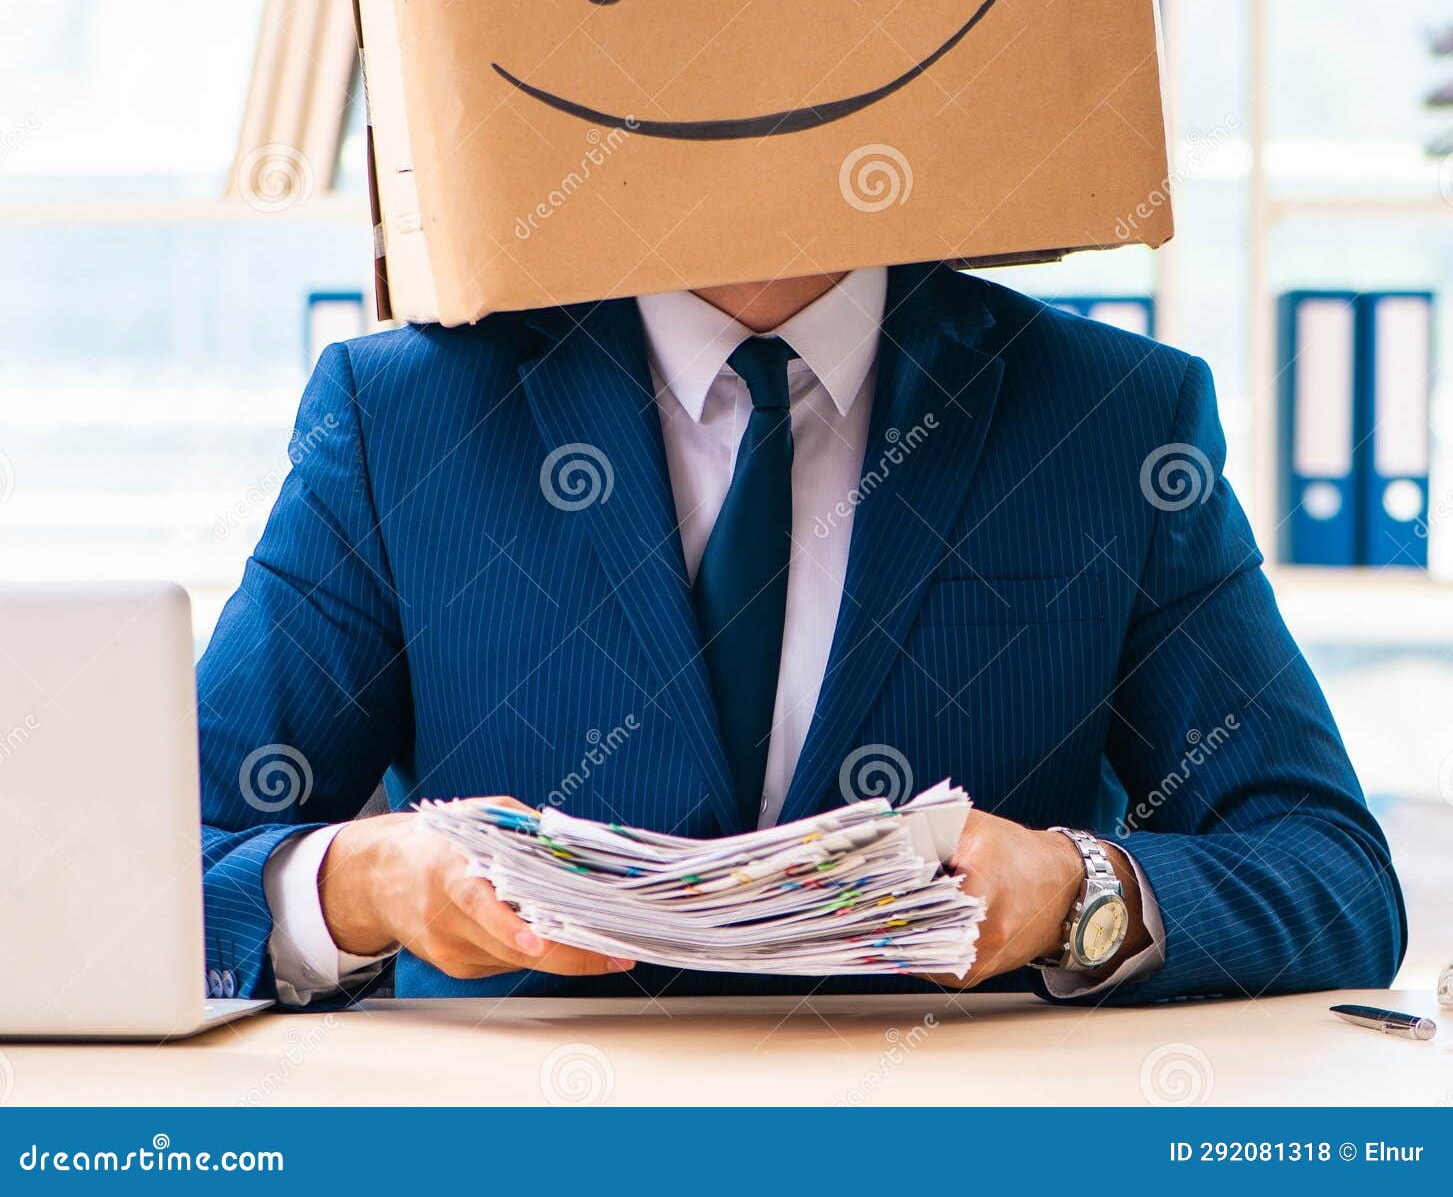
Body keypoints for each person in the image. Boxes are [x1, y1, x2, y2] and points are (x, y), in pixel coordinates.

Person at [197, 261, 1405, 1005]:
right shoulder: (406, 414)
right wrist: (363, 884)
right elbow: (161, 865)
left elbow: (1334, 877)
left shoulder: (1110, 417)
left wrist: (1073, 896)